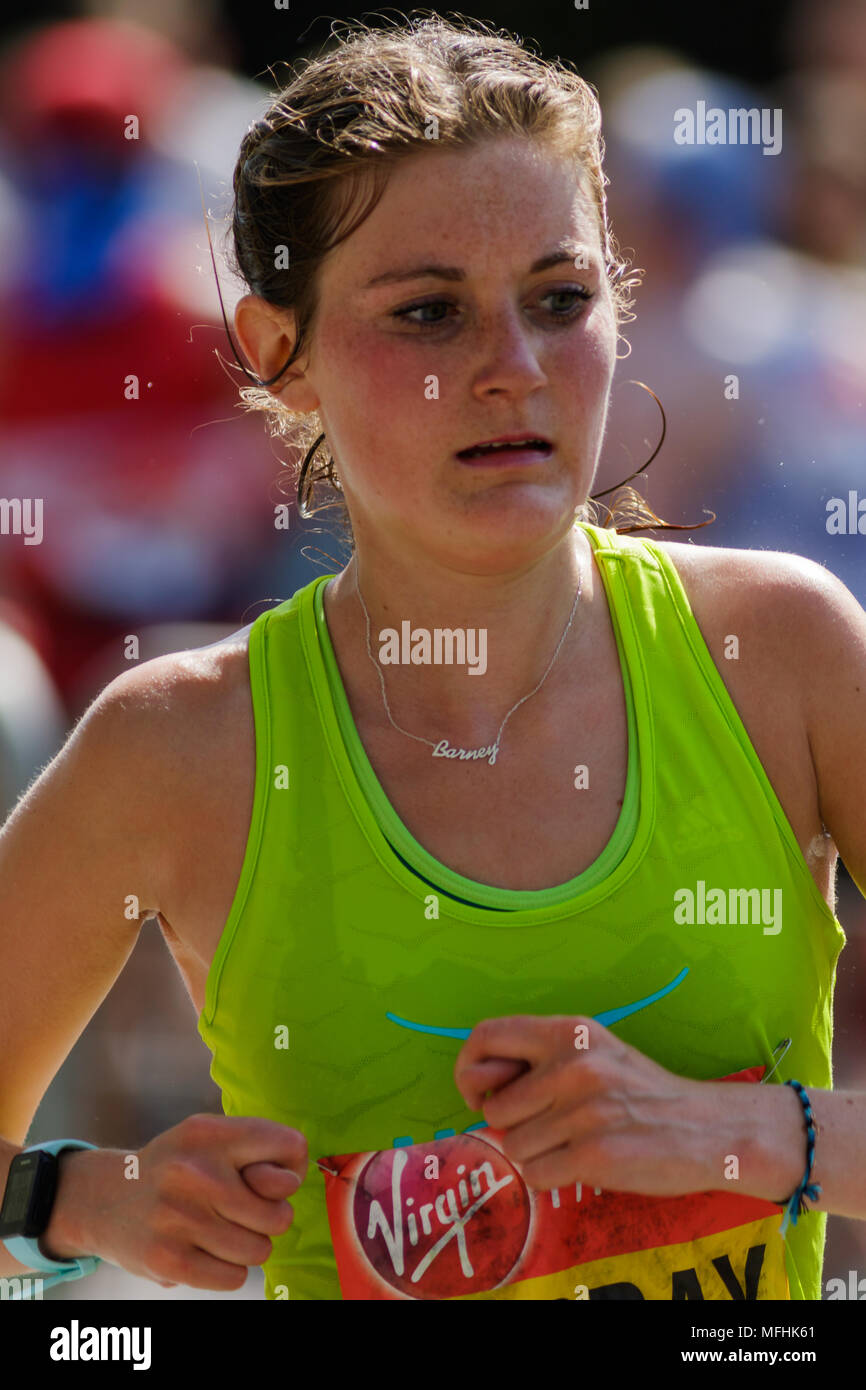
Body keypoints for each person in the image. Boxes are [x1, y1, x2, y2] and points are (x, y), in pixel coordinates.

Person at [1, 15, 865, 1303]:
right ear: (274, 351)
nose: (512, 370)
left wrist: (730, 1133)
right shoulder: (180, 741)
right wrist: (68, 1200)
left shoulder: (782, 650)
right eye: (428, 313)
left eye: (559, 300)